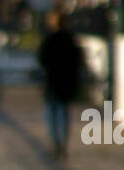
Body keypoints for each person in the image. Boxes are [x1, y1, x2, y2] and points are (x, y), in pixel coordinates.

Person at [37, 10, 85, 158]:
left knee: (51, 114)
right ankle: (63, 143)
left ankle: (56, 142)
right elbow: (79, 60)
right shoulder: (71, 39)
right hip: (67, 82)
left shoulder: (49, 39)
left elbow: (42, 60)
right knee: (64, 113)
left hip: (52, 81)